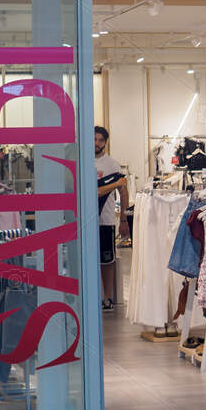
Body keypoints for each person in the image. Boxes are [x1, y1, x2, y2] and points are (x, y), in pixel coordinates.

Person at [95, 126, 127, 312]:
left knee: (107, 261)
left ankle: (107, 298)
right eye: (94, 139)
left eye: (100, 140)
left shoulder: (112, 165)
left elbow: (123, 191)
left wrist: (123, 218)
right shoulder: (82, 161)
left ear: (105, 143)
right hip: (86, 221)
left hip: (106, 220)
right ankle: (94, 296)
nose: (97, 143)